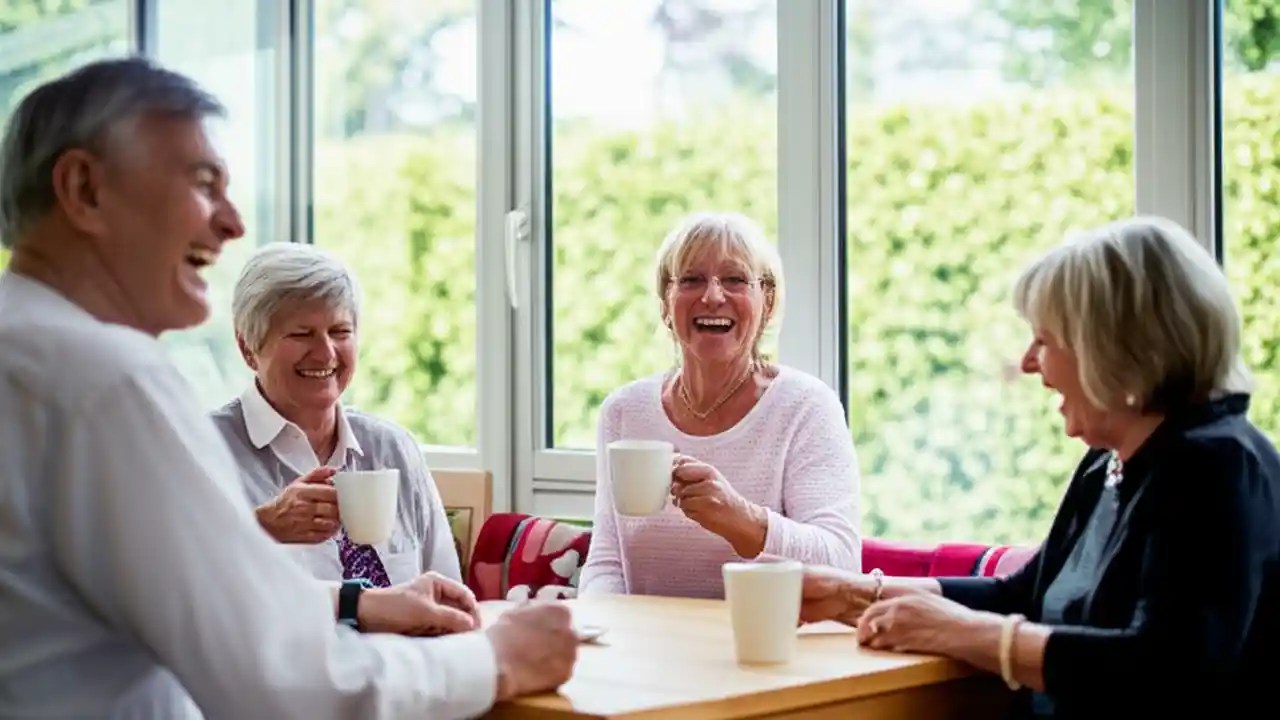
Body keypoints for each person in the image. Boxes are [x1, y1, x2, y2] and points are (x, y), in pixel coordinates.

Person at [0, 57, 575, 719]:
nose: (233, 222)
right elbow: (283, 680)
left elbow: (192, 598)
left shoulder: (28, 351)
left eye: (341, 330)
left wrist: (358, 602)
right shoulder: (104, 380)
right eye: (204, 183)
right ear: (84, 189)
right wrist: (495, 660)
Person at [796, 216, 1280, 718]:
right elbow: (1025, 595)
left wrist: (965, 634)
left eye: (1044, 341)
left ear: (1115, 351)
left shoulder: (1217, 468)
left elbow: (1168, 670)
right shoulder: (1108, 462)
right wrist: (854, 592)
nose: (1029, 363)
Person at [579, 211, 861, 599]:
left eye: (735, 279)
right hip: (647, 652)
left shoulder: (807, 407)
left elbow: (843, 564)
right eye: (691, 280)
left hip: (763, 650)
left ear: (768, 299)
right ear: (666, 301)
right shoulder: (625, 411)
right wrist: (604, 637)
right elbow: (607, 563)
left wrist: (742, 519)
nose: (712, 296)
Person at [210, 243, 461, 587]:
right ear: (247, 348)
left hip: (406, 643)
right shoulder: (204, 450)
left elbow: (448, 592)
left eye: (340, 332)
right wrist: (260, 529)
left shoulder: (392, 448)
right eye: (301, 334)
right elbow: (167, 593)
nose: (325, 352)